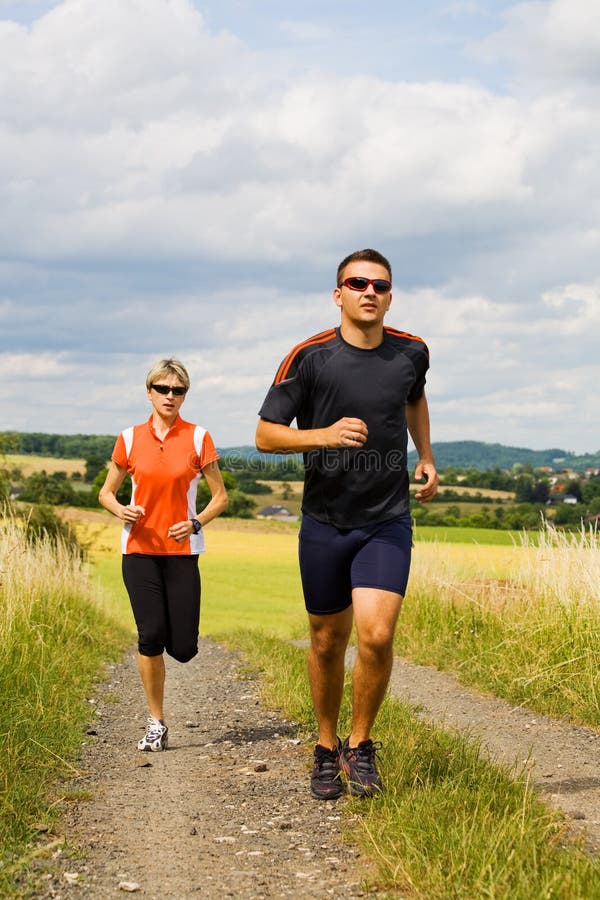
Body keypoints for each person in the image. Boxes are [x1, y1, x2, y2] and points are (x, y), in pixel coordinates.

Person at [255, 249, 438, 799]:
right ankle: (325, 746)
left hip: (386, 518)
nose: (369, 292)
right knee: (327, 640)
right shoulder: (308, 357)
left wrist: (425, 456)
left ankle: (360, 747)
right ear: (338, 294)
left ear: (389, 295)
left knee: (377, 635)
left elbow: (415, 398)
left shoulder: (412, 351)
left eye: (379, 285)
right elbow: (266, 434)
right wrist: (324, 435)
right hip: (324, 522)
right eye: (357, 283)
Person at [99, 358, 228, 751]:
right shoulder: (128, 437)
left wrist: (195, 522)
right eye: (163, 389)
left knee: (184, 649)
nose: (170, 396)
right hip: (138, 549)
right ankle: (156, 722)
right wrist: (121, 509)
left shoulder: (197, 437)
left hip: (181, 551)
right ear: (149, 391)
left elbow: (220, 497)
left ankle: (176, 642)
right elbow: (106, 492)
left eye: (178, 390)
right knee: (150, 635)